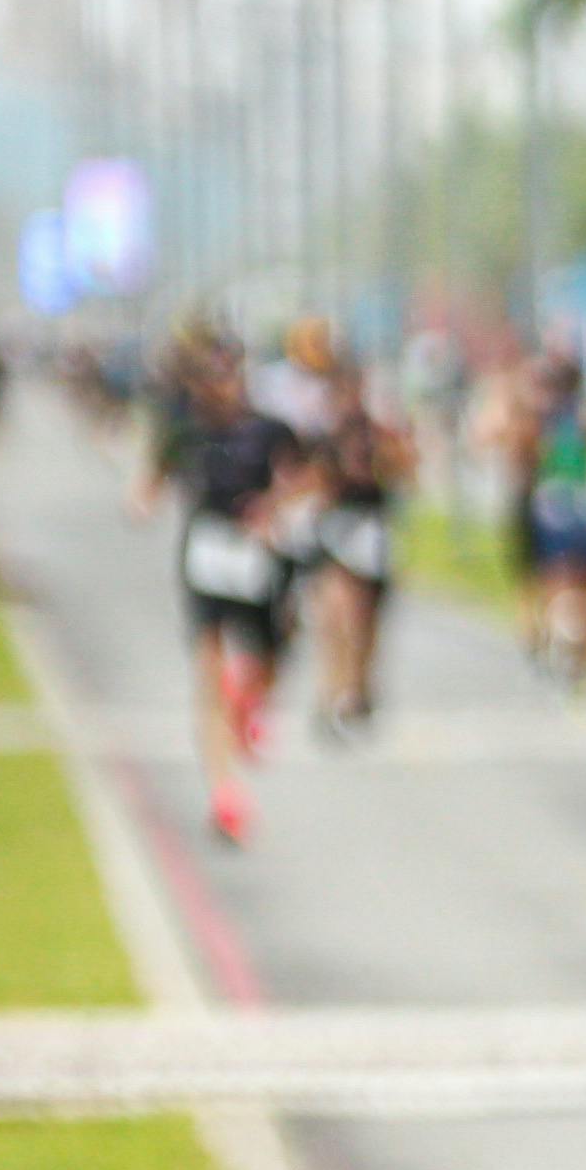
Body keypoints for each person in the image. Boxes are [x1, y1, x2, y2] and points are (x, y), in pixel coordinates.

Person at [139, 327, 311, 846]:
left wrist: (275, 510)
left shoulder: (270, 429)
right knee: (208, 674)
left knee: (275, 650)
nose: (223, 385)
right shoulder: (184, 430)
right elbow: (151, 482)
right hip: (208, 557)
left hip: (258, 555)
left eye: (230, 373)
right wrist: (143, 499)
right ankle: (225, 793)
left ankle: (252, 696)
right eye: (212, 375)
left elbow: (306, 479)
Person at [305, 381, 416, 739]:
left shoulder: (379, 439)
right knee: (333, 617)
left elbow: (405, 473)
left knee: (363, 620)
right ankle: (334, 691)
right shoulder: (324, 442)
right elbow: (311, 483)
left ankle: (356, 689)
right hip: (337, 531)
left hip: (371, 533)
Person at [505, 351, 586, 689]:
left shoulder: (539, 418)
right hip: (583, 507)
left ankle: (559, 641)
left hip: (551, 507)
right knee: (580, 583)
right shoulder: (585, 418)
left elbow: (520, 456)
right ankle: (575, 647)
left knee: (554, 581)